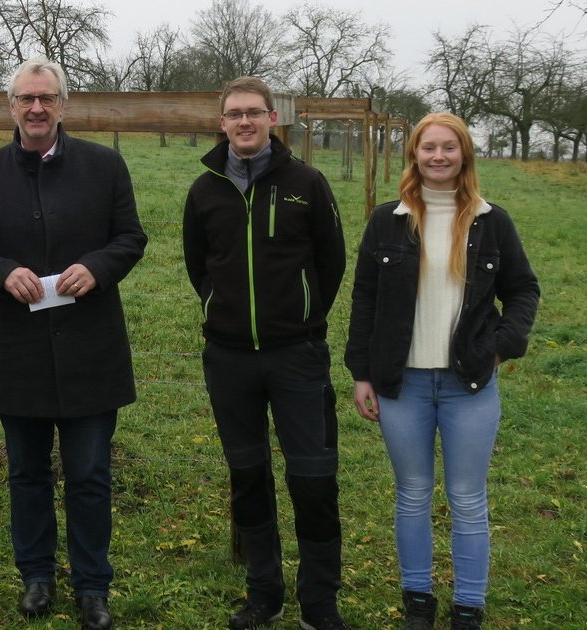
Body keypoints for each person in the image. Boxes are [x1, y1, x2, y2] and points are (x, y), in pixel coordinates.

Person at [0, 57, 146, 630]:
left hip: (90, 349)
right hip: (18, 351)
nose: (37, 108)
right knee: (27, 474)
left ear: (64, 104)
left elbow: (131, 237)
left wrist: (98, 267)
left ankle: (92, 585)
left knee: (90, 475)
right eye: (26, 98)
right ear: (10, 106)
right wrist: (2, 272)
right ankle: (36, 576)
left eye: (47, 98)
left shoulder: (104, 166)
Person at [344, 112, 539, 630]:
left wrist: (500, 348)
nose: (438, 156)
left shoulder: (492, 222)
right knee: (412, 495)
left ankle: (468, 605)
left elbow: (523, 290)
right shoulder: (387, 220)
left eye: (448, 148)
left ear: (464, 155)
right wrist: (362, 373)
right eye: (428, 147)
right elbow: (364, 298)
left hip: (468, 385)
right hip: (402, 385)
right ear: (414, 154)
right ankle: (418, 600)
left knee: (468, 498)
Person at [182, 76, 350, 630]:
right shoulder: (204, 191)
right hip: (229, 360)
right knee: (248, 476)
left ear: (273, 119)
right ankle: (264, 594)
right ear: (222, 123)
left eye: (254, 112)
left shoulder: (307, 183)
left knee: (313, 478)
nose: (245, 122)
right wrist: (222, 309)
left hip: (297, 356)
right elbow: (198, 265)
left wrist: (301, 316)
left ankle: (319, 602)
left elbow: (331, 262)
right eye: (234, 114)